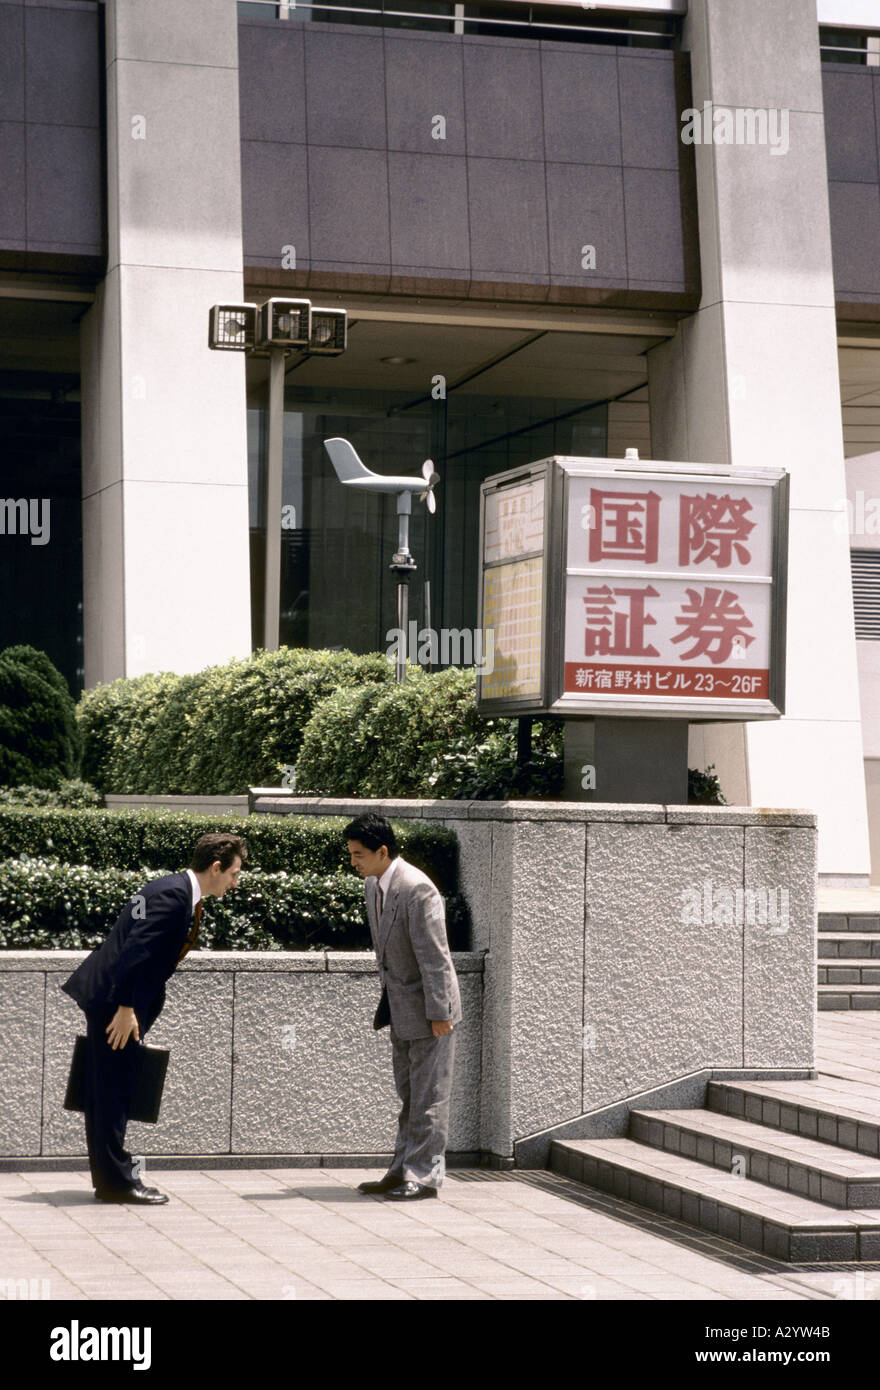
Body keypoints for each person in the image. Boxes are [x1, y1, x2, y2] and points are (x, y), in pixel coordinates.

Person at [61, 833, 246, 1205]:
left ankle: (112, 1176)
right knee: (112, 1092)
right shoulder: (174, 896)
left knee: (106, 1091)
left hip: (110, 998)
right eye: (233, 873)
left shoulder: (170, 887)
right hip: (116, 1003)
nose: (235, 882)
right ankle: (116, 1182)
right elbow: (137, 950)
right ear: (215, 868)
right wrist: (128, 1008)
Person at [345, 812, 461, 1201]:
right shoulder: (374, 885)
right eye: (351, 854)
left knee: (430, 1097)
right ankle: (401, 1169)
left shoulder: (417, 889)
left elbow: (435, 957)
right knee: (410, 1096)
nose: (353, 862)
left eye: (359, 855)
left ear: (382, 851)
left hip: (431, 1012)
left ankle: (424, 1177)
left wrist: (441, 1012)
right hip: (400, 1008)